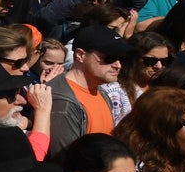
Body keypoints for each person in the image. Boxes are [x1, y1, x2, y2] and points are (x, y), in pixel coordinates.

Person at [49, 25, 135, 158]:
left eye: (121, 58)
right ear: (80, 55)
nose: (118, 65)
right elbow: (65, 161)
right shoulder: (62, 100)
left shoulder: (101, 92)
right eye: (110, 57)